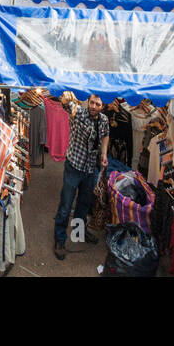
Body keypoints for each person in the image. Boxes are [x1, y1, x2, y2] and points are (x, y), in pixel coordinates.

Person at [53, 94, 109, 260]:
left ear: (102, 107)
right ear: (88, 102)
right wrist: (67, 96)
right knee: (66, 204)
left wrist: (104, 154)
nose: (93, 106)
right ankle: (60, 239)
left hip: (90, 168)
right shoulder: (77, 112)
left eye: (97, 104)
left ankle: (79, 233)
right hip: (74, 166)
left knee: (84, 205)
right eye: (91, 102)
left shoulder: (104, 120)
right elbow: (63, 101)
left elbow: (105, 135)